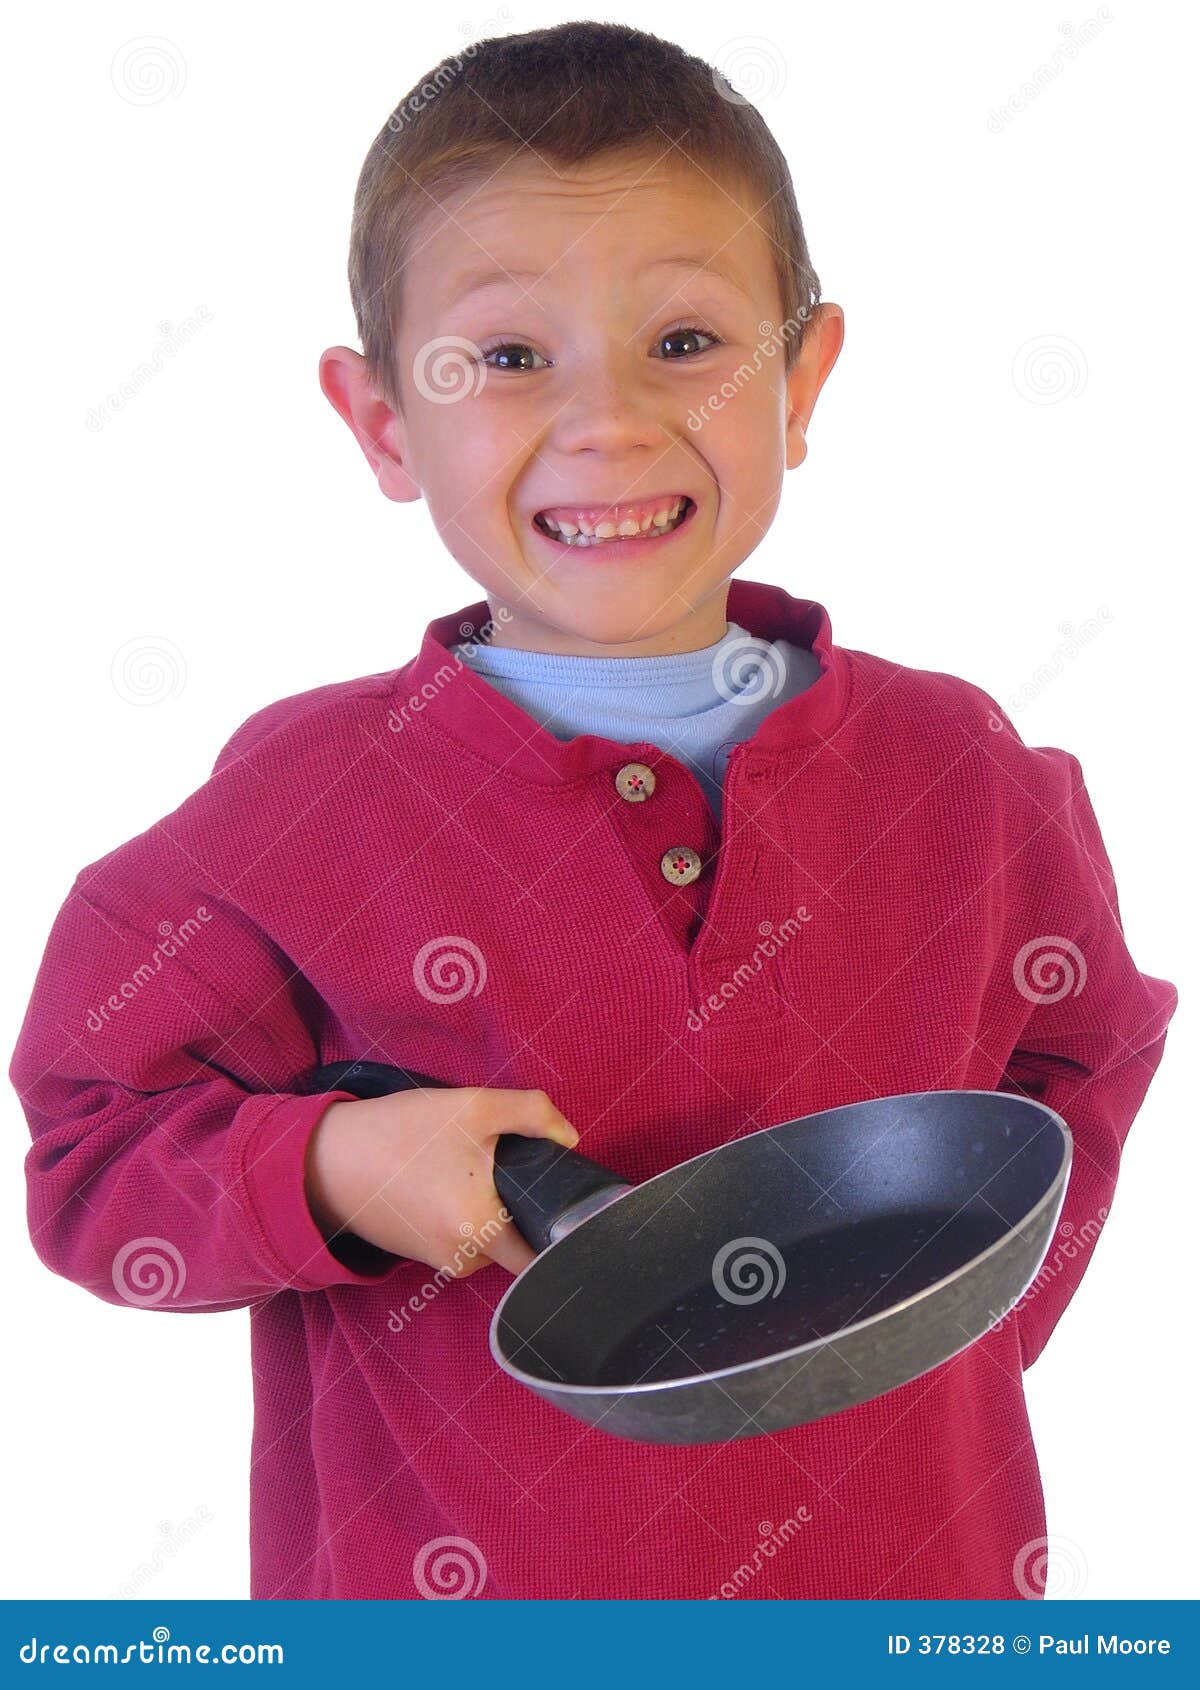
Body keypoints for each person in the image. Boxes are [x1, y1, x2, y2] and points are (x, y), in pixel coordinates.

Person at [9, 20, 1177, 1601]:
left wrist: (945, 1332)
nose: (609, 418)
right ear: (378, 424)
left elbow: (1078, 1049)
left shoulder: (954, 767)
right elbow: (91, 1149)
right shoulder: (300, 803)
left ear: (804, 374)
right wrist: (335, 1170)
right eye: (504, 358)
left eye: (688, 342)